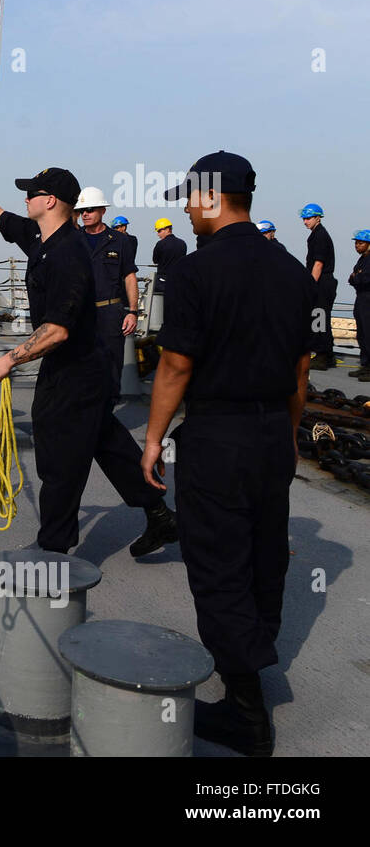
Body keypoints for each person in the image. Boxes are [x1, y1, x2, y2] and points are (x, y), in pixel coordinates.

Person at [141, 151, 315, 757]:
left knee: (217, 564)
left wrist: (153, 438)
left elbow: (176, 363)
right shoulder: (294, 271)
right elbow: (300, 370)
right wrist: (288, 435)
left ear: (212, 198)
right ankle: (252, 664)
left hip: (218, 436)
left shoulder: (194, 272)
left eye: (190, 198)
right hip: (271, 435)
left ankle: (246, 712)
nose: (187, 210)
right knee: (265, 555)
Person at [0, 153, 175, 556]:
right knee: (108, 443)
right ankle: (161, 517)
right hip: (83, 365)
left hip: (77, 370)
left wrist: (8, 360)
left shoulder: (68, 255)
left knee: (60, 458)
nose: (25, 200)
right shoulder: (38, 237)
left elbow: (57, 330)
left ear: (51, 201)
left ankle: (53, 551)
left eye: (32, 194)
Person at [76, 187, 139, 395]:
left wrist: (132, 311)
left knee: (111, 370)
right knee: (80, 370)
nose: (85, 214)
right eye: (81, 210)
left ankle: (105, 418)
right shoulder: (73, 240)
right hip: (80, 315)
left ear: (103, 210)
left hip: (110, 313)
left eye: (90, 209)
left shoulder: (120, 241)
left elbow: (129, 276)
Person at [302, 203, 336, 371]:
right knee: (319, 317)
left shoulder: (320, 236)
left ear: (317, 217)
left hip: (322, 282)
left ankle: (323, 355)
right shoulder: (316, 235)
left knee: (319, 317)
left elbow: (318, 263)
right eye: (304, 218)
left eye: (308, 218)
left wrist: (311, 286)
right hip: (322, 281)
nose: (305, 221)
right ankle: (326, 354)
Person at [350, 230, 370, 381]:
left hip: (367, 299)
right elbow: (353, 278)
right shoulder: (361, 260)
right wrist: (357, 277)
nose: (357, 245)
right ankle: (365, 365)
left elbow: (363, 279)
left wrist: (357, 277)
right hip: (361, 298)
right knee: (361, 333)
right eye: (356, 243)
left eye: (360, 243)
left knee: (368, 332)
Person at [151, 218, 187, 294]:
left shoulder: (160, 244)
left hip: (162, 282)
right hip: (178, 281)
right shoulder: (182, 243)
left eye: (159, 231)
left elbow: (155, 260)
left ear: (167, 229)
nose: (158, 234)